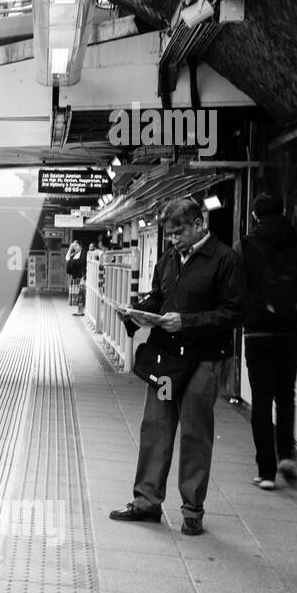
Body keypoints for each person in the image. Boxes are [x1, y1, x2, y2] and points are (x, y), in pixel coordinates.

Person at [109, 198, 244, 536]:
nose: (172, 241)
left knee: (195, 433)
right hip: (167, 359)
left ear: (200, 223)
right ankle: (146, 503)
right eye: (168, 235)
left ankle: (192, 511)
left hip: (203, 360)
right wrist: (137, 312)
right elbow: (159, 296)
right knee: (155, 427)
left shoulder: (225, 259)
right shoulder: (169, 260)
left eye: (178, 232)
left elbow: (234, 313)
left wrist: (187, 322)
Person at [235, 193, 297, 490]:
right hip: (292, 334)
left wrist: (249, 313)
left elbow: (234, 287)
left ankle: (266, 472)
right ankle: (286, 455)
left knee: (261, 400)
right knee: (286, 394)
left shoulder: (243, 247)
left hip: (258, 333)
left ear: (254, 216)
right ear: (285, 211)